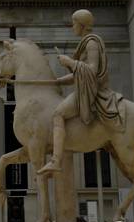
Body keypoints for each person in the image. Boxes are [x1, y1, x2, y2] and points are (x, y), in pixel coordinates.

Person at [38, 10, 124, 175]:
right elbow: (79, 74)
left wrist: (70, 62)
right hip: (85, 88)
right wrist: (58, 81)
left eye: (74, 23)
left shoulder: (91, 44)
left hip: (92, 92)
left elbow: (91, 71)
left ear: (82, 24)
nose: (72, 27)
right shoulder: (86, 43)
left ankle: (56, 160)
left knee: (58, 114)